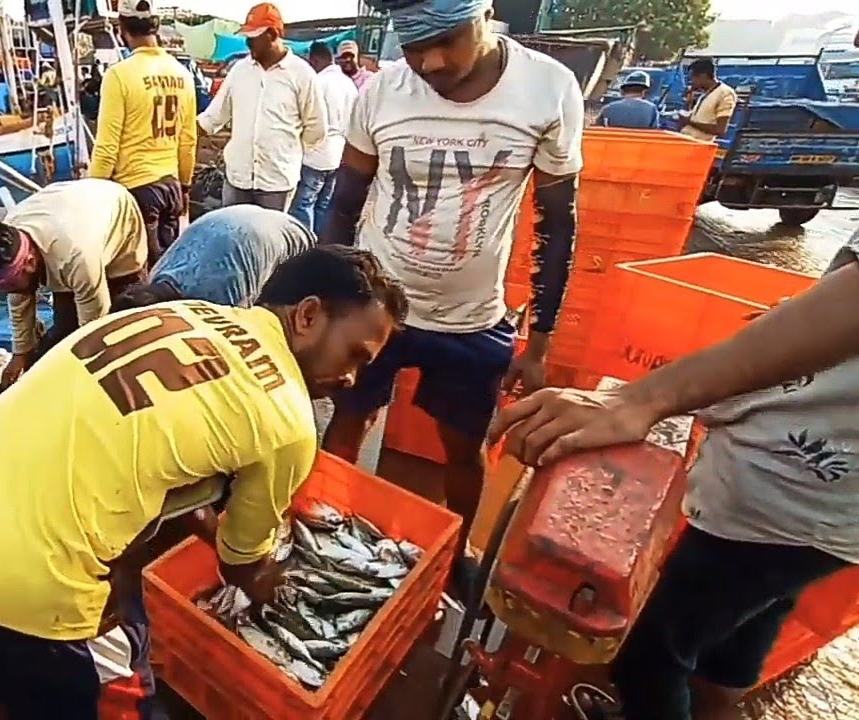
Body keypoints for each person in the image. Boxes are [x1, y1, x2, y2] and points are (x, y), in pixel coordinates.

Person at [0, 245, 407, 718]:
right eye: (355, 355)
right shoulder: (290, 420)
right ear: (309, 315)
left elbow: (150, 453)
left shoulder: (177, 313)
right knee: (122, 697)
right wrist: (278, 586)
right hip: (27, 592)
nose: (351, 379)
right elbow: (241, 563)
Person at [490, 238, 859, 720]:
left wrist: (640, 399)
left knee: (648, 657)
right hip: (821, 506)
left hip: (789, 493)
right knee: (742, 627)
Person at [319, 0, 584, 590]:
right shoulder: (383, 92)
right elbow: (345, 201)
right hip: (377, 305)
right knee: (348, 420)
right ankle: (323, 527)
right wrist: (334, 296)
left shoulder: (547, 89)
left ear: (485, 14)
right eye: (413, 48)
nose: (431, 62)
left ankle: (455, 554)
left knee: (463, 450)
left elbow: (558, 223)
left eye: (446, 41)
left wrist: (539, 342)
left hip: (472, 319)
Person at [0, 179, 149, 388]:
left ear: (30, 263)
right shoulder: (11, 236)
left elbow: (93, 329)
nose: (5, 292)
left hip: (116, 211)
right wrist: (20, 354)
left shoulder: (77, 257)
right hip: (66, 212)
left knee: (123, 318)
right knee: (64, 325)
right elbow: (19, 296)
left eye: (5, 284)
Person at [90, 0, 198, 266]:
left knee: (140, 274)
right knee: (168, 268)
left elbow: (106, 147)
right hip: (170, 186)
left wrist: (92, 192)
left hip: (137, 191)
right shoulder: (182, 74)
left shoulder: (119, 75)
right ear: (157, 26)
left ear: (121, 29)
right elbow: (188, 141)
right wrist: (184, 186)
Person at [197, 2, 326, 211]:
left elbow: (316, 128)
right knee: (234, 236)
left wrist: (285, 152)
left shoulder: (302, 74)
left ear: (273, 34)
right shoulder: (240, 71)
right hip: (238, 179)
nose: (248, 43)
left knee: (269, 240)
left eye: (254, 36)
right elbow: (214, 117)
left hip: (276, 184)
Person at [111, 204, 316, 311]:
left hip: (293, 239)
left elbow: (238, 337)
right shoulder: (156, 275)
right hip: (239, 221)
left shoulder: (221, 298)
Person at [289, 41, 358, 233]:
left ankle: (303, 247)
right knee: (323, 205)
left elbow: (306, 120)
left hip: (316, 154)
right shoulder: (348, 84)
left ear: (315, 60)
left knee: (303, 204)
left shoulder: (319, 83)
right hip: (338, 154)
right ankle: (319, 243)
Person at [677, 58, 737, 143]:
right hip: (688, 141)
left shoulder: (725, 93)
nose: (692, 82)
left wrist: (690, 122)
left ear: (703, 76)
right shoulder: (705, 94)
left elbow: (720, 130)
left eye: (693, 79)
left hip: (700, 145)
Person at [596, 70, 661, 129]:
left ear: (622, 91)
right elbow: (654, 131)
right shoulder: (651, 110)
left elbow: (597, 129)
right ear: (644, 92)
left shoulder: (607, 109)